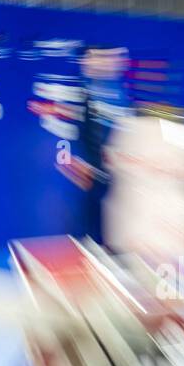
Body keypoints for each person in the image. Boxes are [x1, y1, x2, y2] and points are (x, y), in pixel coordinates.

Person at [58, 44, 129, 247]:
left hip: (116, 177)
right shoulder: (80, 95)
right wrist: (79, 162)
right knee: (89, 224)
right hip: (90, 176)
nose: (96, 63)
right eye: (92, 58)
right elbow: (73, 133)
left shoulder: (121, 98)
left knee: (112, 226)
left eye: (103, 58)